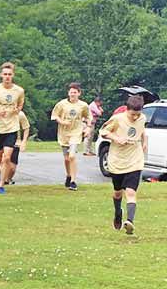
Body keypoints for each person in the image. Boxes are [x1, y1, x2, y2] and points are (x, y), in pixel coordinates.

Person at [98, 89, 148, 233]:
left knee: (131, 192)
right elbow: (103, 132)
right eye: (132, 114)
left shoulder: (142, 118)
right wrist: (116, 138)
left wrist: (144, 142)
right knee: (117, 192)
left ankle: (130, 222)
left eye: (138, 114)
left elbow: (142, 130)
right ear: (127, 109)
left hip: (135, 160)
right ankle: (118, 212)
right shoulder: (118, 119)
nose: (135, 117)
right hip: (117, 161)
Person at [0, 61, 26, 194]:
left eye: (9, 74)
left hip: (12, 128)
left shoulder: (19, 91)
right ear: (1, 75)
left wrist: (16, 110)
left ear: (13, 75)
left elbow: (20, 105)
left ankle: (1, 185)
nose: (7, 77)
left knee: (7, 158)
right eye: (5, 74)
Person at [50, 82, 90, 189]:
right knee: (67, 158)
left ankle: (73, 181)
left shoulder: (83, 105)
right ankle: (68, 175)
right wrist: (62, 122)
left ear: (79, 93)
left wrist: (88, 128)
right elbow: (55, 116)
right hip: (64, 133)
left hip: (76, 132)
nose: (73, 94)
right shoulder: (61, 104)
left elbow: (88, 117)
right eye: (71, 92)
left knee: (72, 156)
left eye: (75, 92)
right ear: (68, 93)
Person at [0, 109, 30, 187]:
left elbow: (26, 128)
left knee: (12, 168)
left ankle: (7, 180)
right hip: (1, 140)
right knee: (1, 160)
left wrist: (24, 141)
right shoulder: (0, 112)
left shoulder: (20, 114)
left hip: (15, 142)